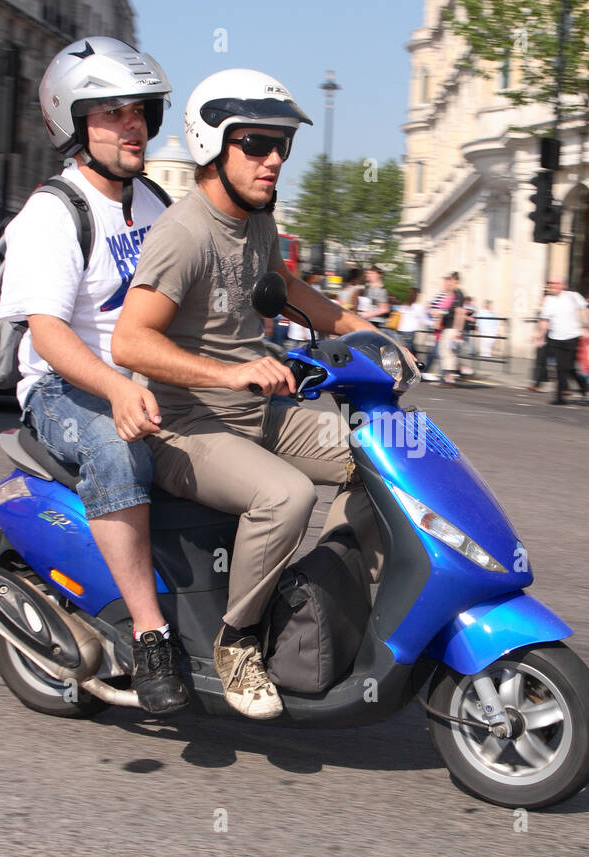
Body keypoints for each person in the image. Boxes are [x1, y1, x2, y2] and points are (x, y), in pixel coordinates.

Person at [111, 68, 385, 720]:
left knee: (380, 454)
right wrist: (229, 373)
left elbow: (291, 291)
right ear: (214, 145)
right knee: (285, 497)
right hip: (185, 425)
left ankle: (324, 588)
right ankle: (236, 641)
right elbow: (130, 342)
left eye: (282, 146)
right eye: (258, 144)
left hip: (258, 412)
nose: (274, 161)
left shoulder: (256, 221)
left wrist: (374, 336)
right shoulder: (184, 234)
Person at [0, 36, 189, 716]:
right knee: (116, 447)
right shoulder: (55, 212)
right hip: (63, 387)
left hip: (143, 378)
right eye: (112, 113)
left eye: (139, 111)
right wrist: (115, 387)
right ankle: (151, 633)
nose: (133, 124)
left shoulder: (156, 203)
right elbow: (47, 334)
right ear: (75, 124)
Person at [539, 277, 589, 405]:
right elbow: (545, 320)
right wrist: (539, 335)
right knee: (563, 367)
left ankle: (562, 395)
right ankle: (575, 389)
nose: (553, 285)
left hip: (572, 336)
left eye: (556, 283)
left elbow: (585, 312)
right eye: (551, 283)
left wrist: (585, 328)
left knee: (564, 367)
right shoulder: (548, 300)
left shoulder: (574, 296)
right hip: (555, 337)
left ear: (564, 285)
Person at [435, 272, 468, 385]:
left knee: (448, 353)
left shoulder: (458, 294)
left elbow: (460, 312)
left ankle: (450, 378)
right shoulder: (453, 294)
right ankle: (450, 377)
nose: (449, 283)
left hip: (452, 328)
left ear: (455, 281)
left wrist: (458, 331)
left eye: (451, 281)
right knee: (445, 352)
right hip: (448, 327)